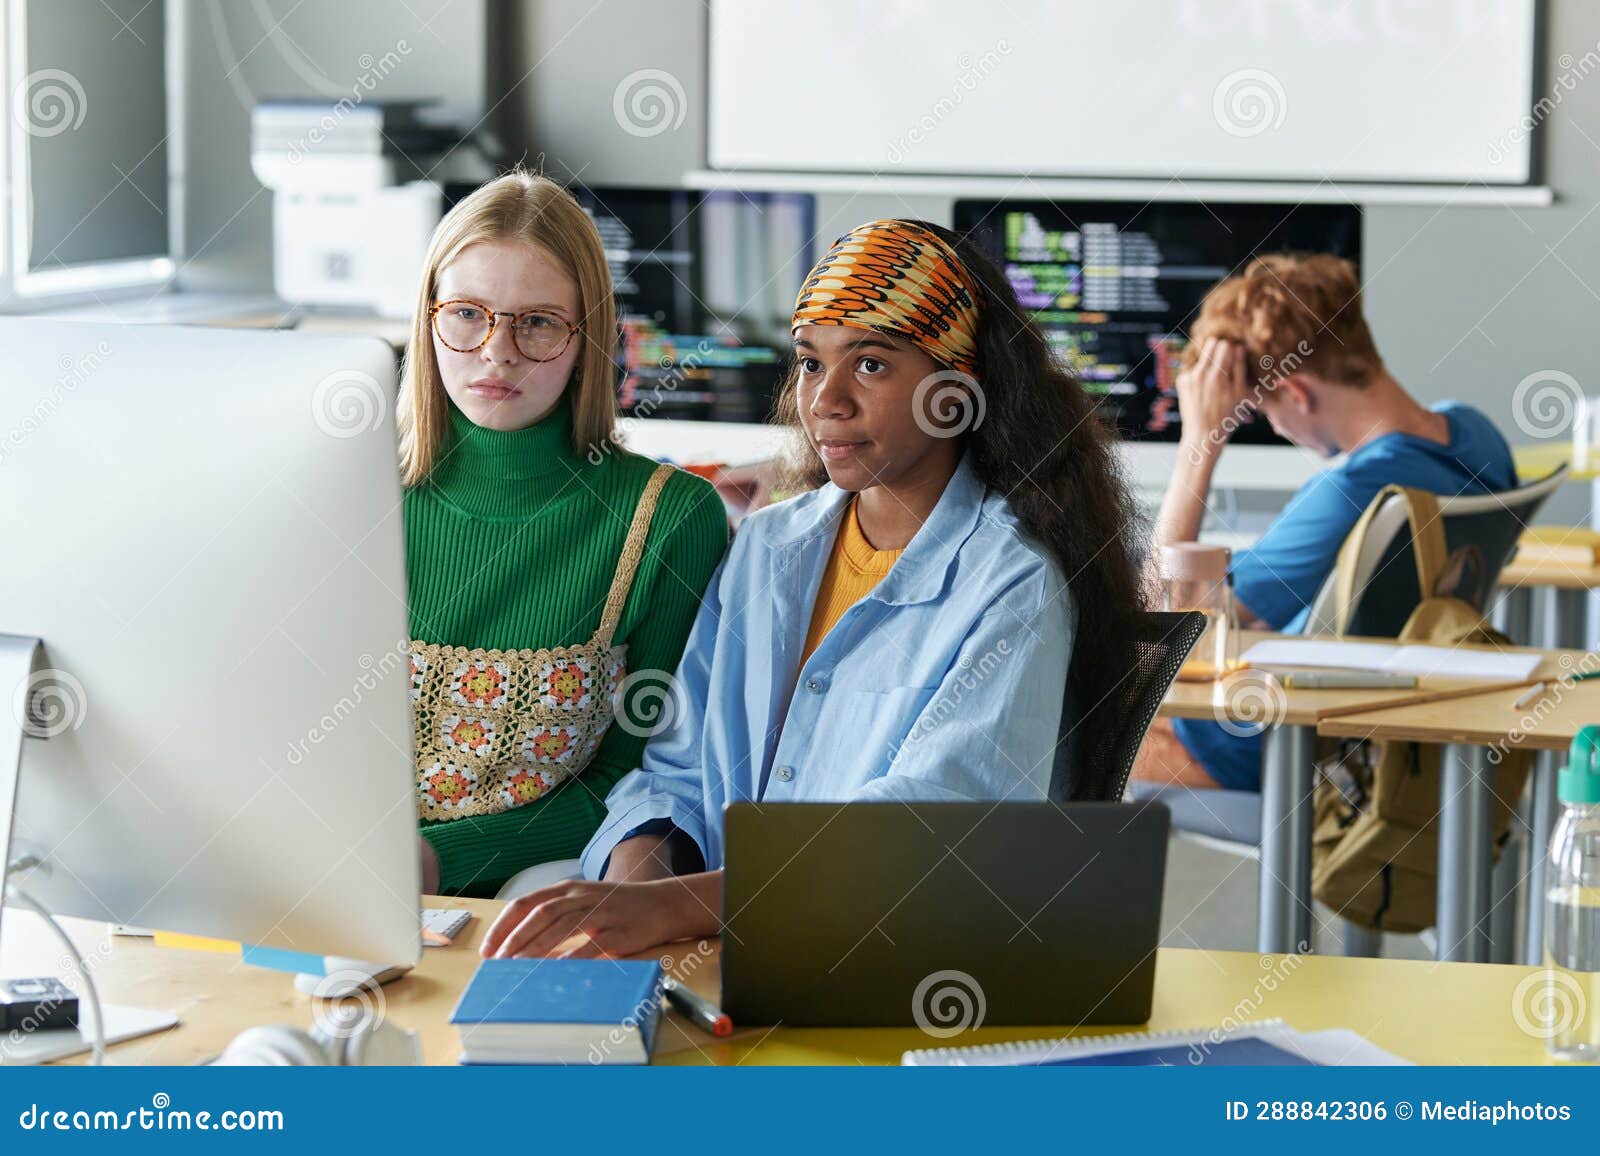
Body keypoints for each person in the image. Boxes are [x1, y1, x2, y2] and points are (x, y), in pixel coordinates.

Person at [480, 217, 1145, 959]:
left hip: (893, 971)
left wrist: (677, 907)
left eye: (870, 365)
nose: (826, 400)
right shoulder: (769, 546)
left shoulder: (1011, 583)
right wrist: (635, 892)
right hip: (724, 958)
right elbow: (676, 769)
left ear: (959, 387)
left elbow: (927, 838)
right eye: (808, 363)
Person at [401, 171, 728, 896]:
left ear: (590, 339)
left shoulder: (671, 520)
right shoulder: (339, 487)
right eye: (466, 313)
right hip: (324, 886)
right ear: (426, 317)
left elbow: (639, 778)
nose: (497, 351)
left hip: (531, 892)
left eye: (539, 322)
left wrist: (434, 859)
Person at [1133, 253, 1517, 792]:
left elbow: (1162, 628)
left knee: (1071, 723)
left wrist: (1200, 443)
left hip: (1272, 743)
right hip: (1364, 727)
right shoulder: (1476, 433)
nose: (1276, 426)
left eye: (1265, 412)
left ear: (1297, 392)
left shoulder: (1354, 490)